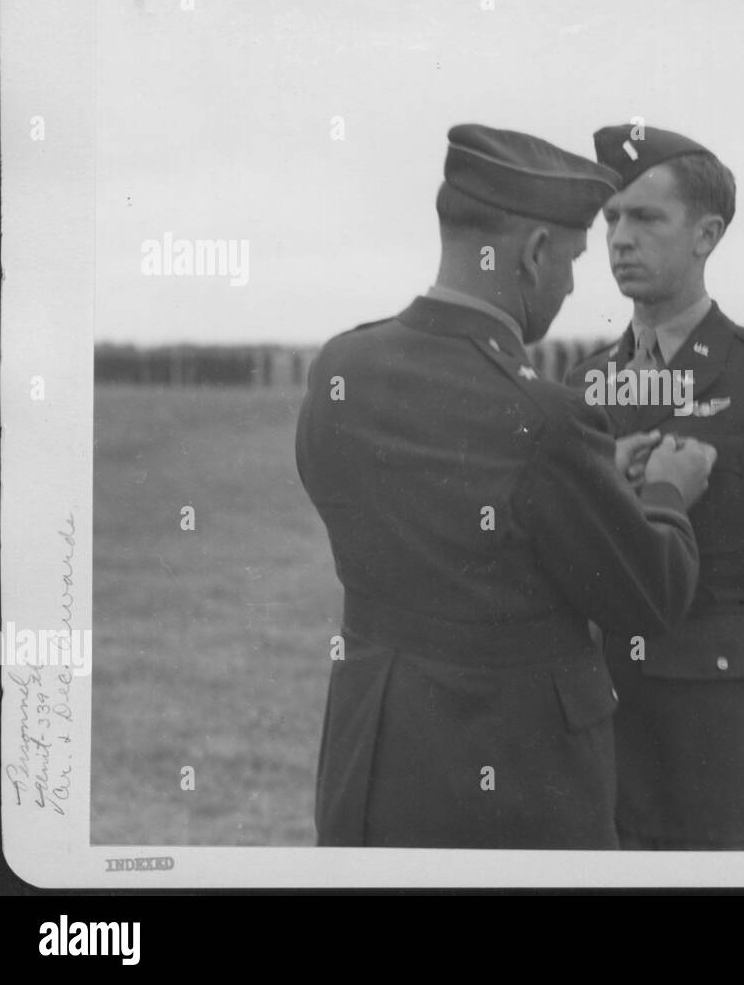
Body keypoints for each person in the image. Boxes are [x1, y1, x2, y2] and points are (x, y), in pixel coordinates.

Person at [295, 124, 716, 849]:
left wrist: (586, 487)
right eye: (573, 259)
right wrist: (666, 494)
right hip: (510, 771)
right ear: (532, 255)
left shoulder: (343, 366)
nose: (573, 282)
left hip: (371, 754)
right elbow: (650, 593)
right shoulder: (543, 416)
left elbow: (431, 508)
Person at [567, 124, 744, 851]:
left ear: (706, 234)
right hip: (602, 730)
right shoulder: (582, 388)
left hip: (721, 741)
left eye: (646, 217)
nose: (620, 239)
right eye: (611, 219)